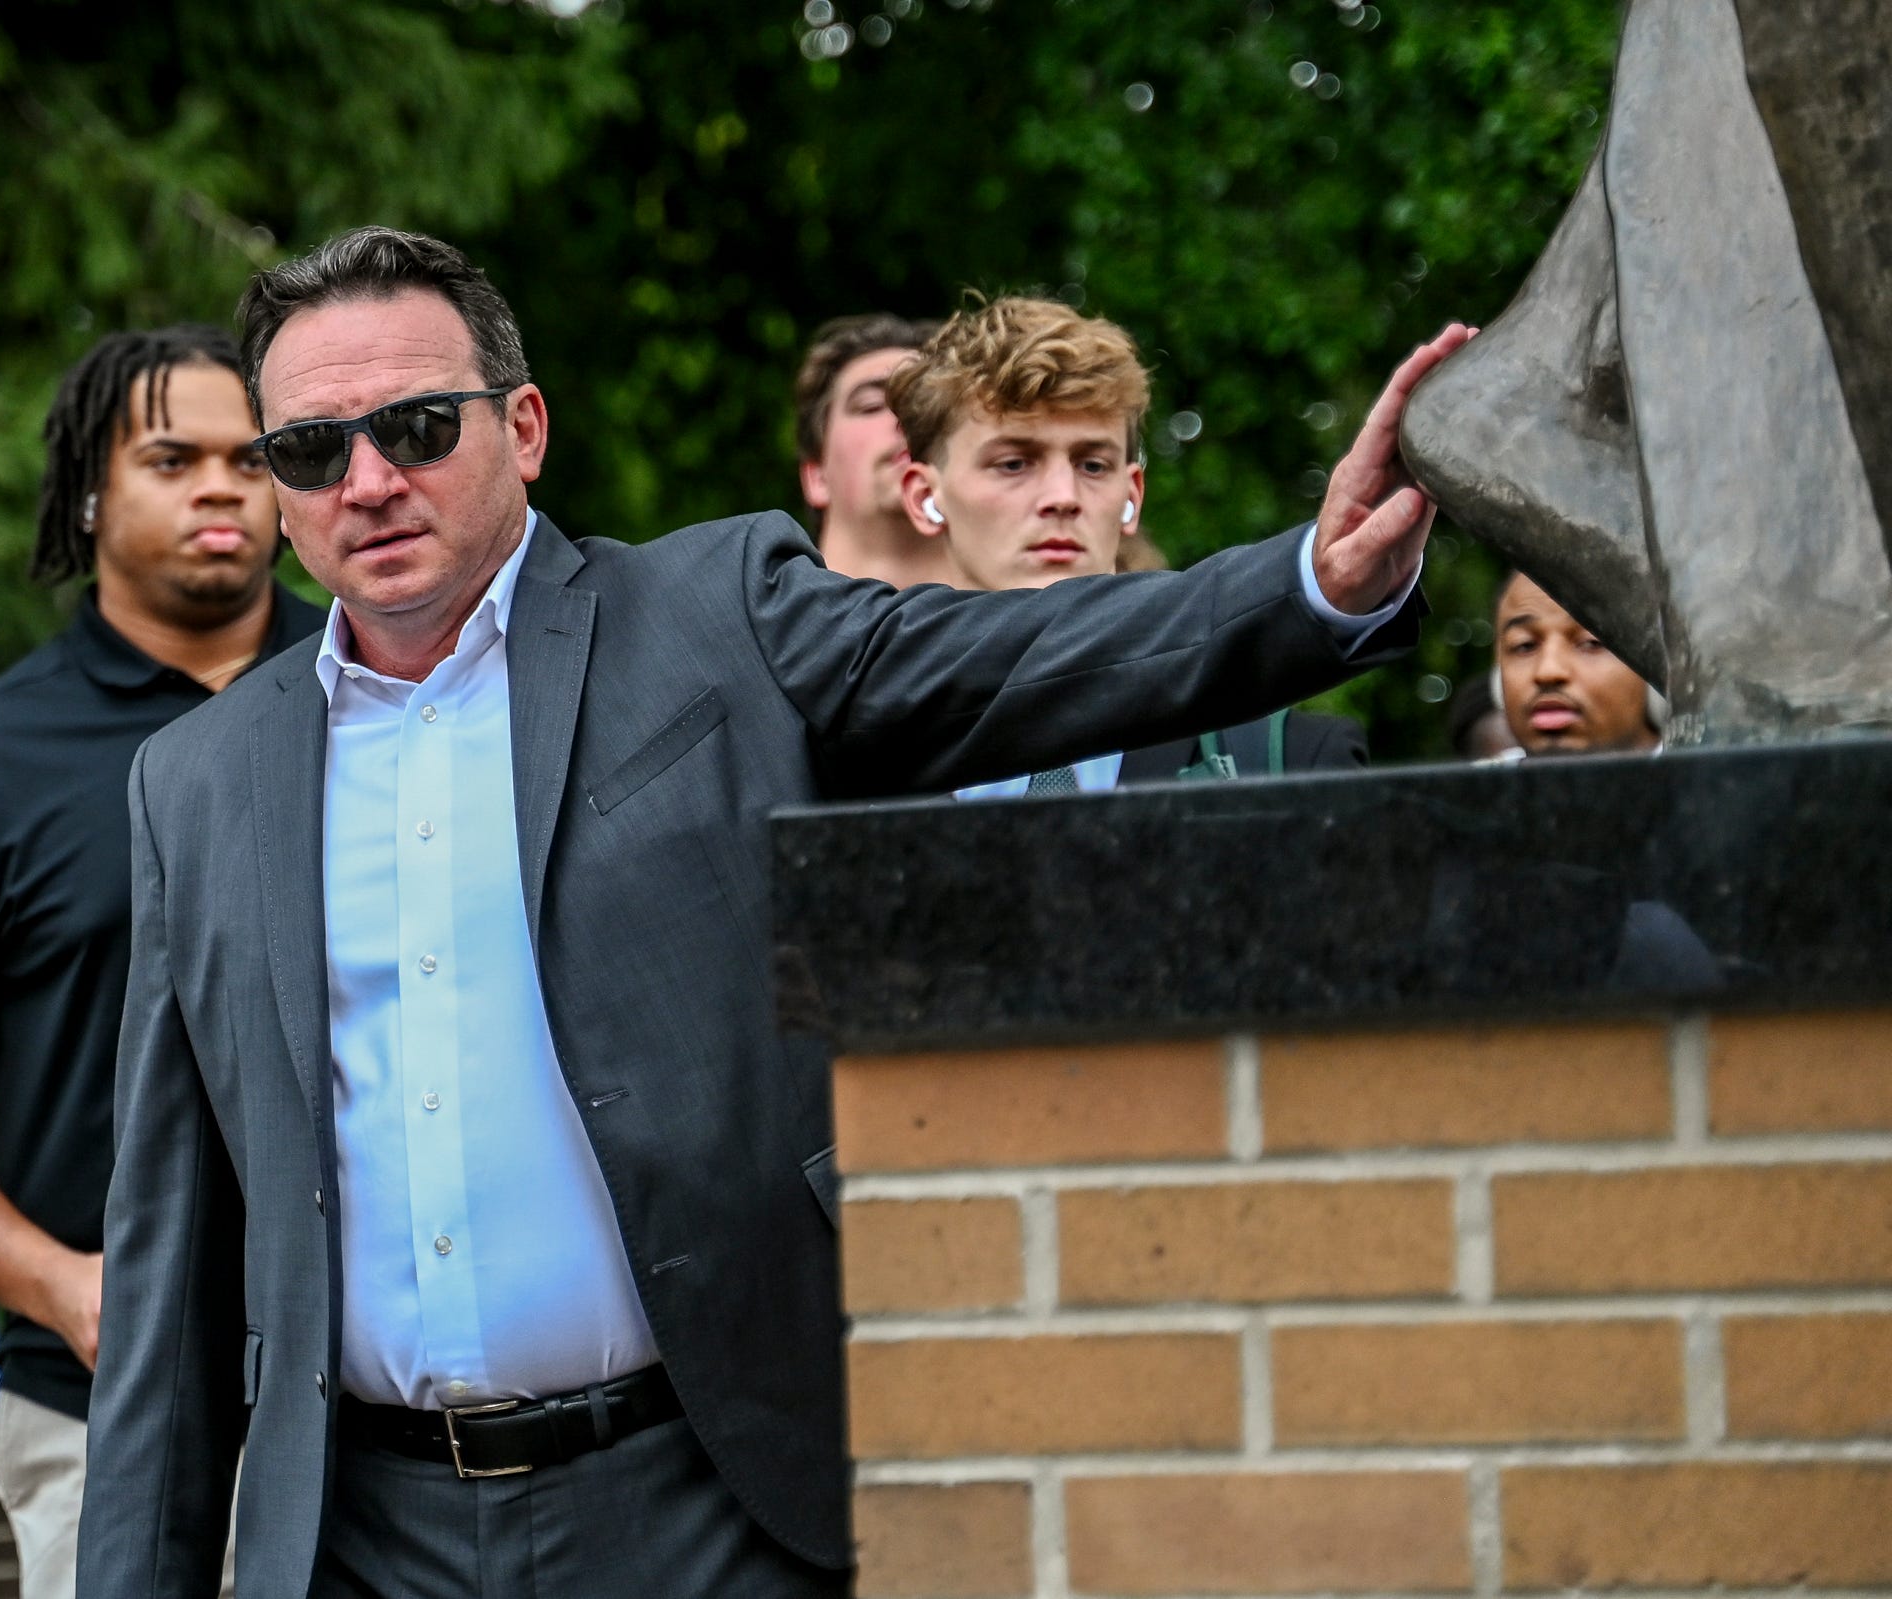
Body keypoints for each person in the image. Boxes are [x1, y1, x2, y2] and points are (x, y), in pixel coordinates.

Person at [77, 225, 1465, 1599]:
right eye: (314, 449)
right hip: (361, 1538)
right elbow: (169, 1271)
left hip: (708, 1504)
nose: (369, 481)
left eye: (419, 426)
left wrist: (1312, 583)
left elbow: (1011, 657)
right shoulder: (198, 781)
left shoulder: (712, 615)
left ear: (526, 427)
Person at [0, 324, 326, 1599]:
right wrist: (64, 1287)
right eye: (172, 456)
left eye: (250, 456)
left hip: (394, 1395)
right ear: (91, 491)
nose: (222, 484)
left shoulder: (393, 691)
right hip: (111, 1413)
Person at [887, 296, 1366, 791]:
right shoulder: (840, 764)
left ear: (1131, 497)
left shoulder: (1291, 760)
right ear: (925, 497)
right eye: (1014, 463)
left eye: (1092, 465)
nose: (1063, 497)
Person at [793, 314, 952, 587]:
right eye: (872, 405)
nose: (908, 418)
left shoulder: (1033, 621)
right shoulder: (739, 621)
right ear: (817, 476)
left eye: (927, 404)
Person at [1494, 569, 1665, 756]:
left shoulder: (1700, 782)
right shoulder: (1472, 785)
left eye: (1591, 643)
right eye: (1525, 645)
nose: (1548, 671)